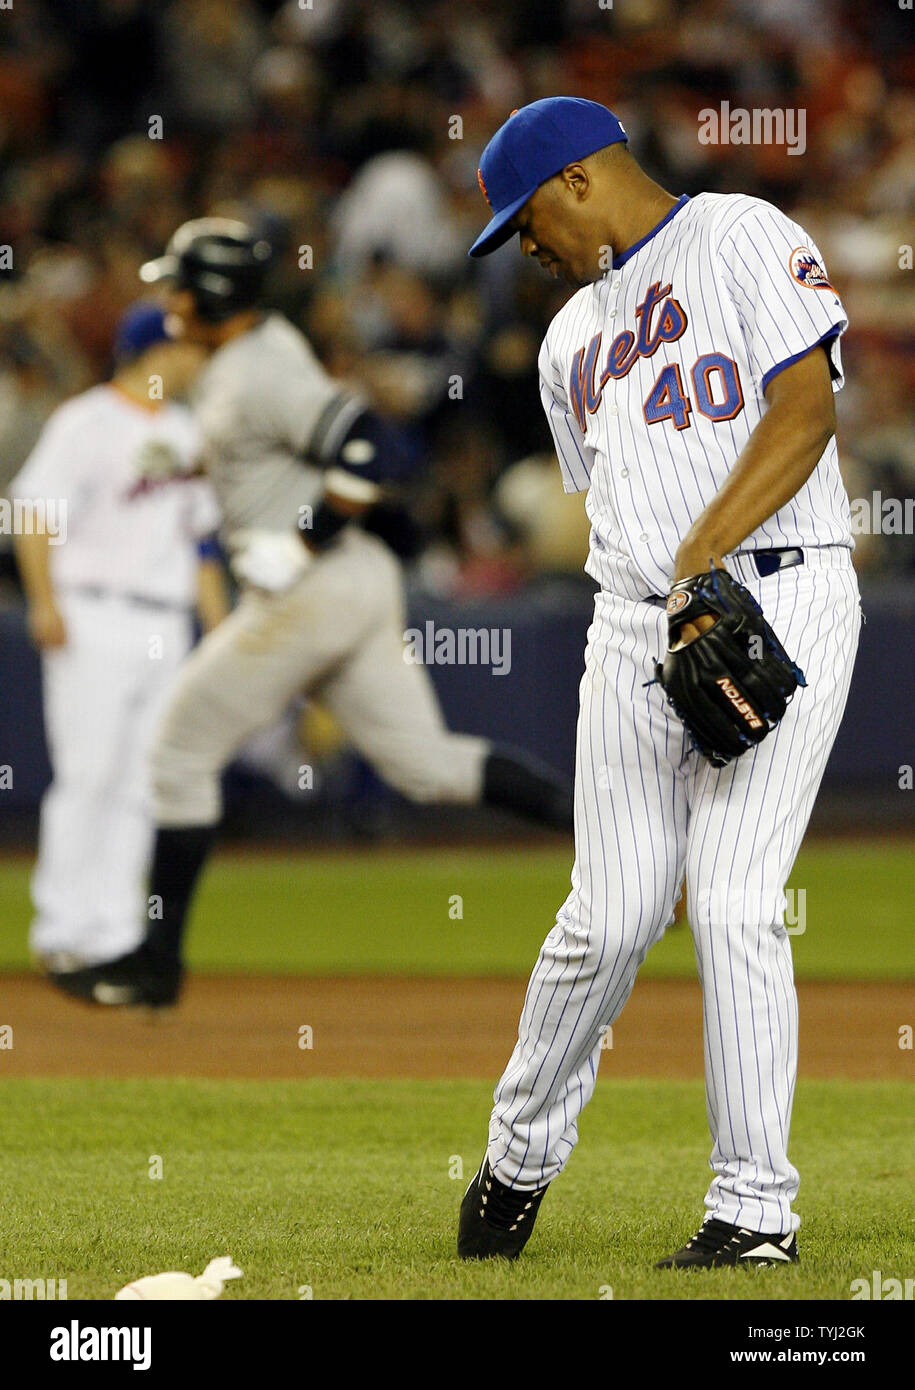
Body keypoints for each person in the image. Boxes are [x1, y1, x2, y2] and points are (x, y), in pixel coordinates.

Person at [456, 98, 860, 1269]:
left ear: (578, 178)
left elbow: (805, 414)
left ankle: (753, 1213)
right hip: (634, 629)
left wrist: (700, 563)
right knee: (611, 915)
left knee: (735, 900)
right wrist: (665, 586)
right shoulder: (566, 341)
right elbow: (618, 500)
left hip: (780, 602)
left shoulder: (739, 233)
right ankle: (518, 1156)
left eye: (524, 220)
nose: (522, 249)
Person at [49, 218, 572, 1010]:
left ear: (213, 293)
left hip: (315, 586)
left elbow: (373, 448)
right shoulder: (244, 359)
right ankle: (608, 834)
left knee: (179, 751)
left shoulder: (257, 368)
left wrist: (302, 540)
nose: (170, 296)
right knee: (426, 767)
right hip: (348, 585)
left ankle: (155, 964)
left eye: (180, 282)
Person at [12, 303, 225, 970]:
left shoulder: (191, 432)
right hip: (93, 614)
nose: (198, 359)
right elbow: (33, 516)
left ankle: (119, 929)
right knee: (90, 773)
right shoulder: (86, 420)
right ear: (157, 351)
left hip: (164, 619)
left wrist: (219, 635)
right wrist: (44, 601)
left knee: (143, 781)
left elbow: (202, 549)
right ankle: (63, 928)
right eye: (189, 347)